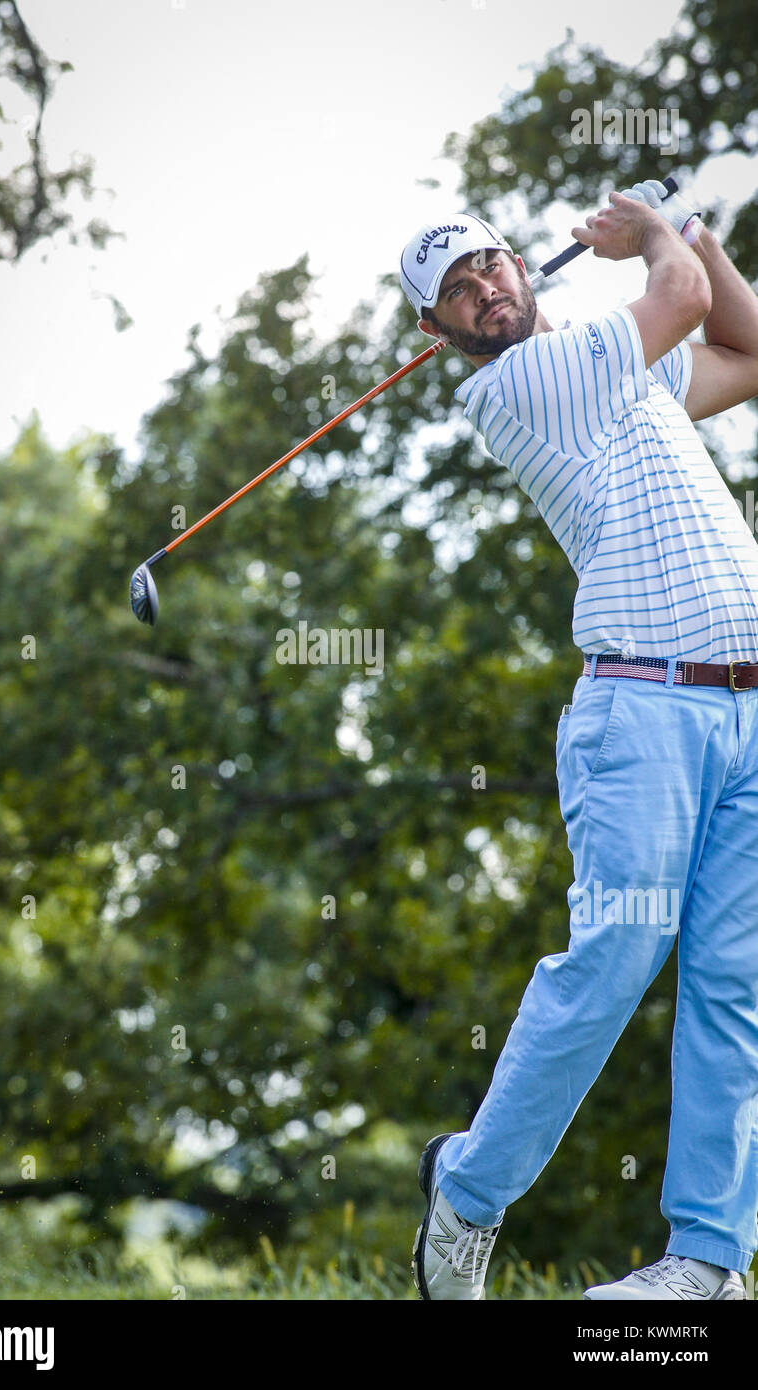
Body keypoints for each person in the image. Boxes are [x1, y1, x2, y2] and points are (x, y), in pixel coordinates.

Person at [399, 179, 758, 1301]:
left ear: (518, 262)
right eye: (456, 292)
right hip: (641, 709)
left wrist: (688, 229)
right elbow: (681, 295)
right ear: (438, 332)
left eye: (490, 265)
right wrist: (654, 236)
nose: (484, 291)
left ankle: (706, 1261)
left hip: (746, 713)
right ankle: (467, 1193)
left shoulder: (628, 374)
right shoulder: (526, 382)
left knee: (735, 987)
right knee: (612, 961)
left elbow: (743, 341)